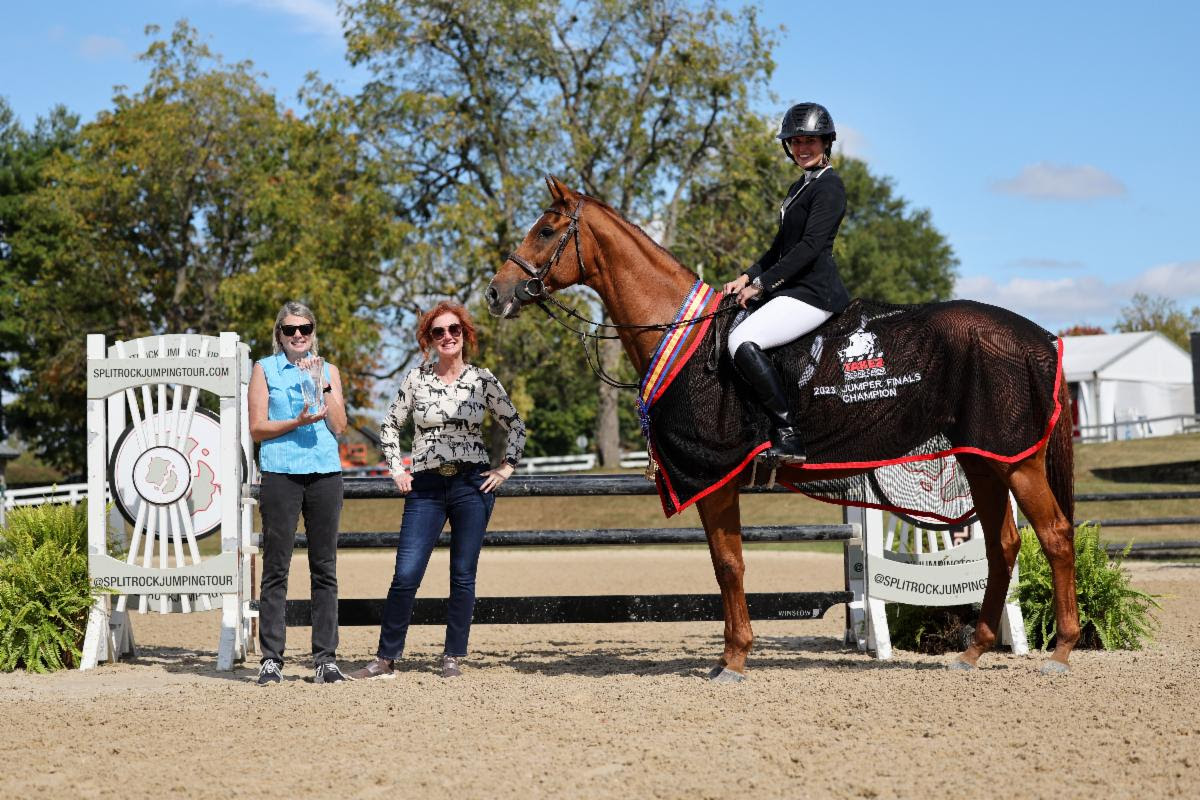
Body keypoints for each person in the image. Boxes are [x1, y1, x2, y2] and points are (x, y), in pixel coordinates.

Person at [350, 300, 526, 680]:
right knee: (407, 573)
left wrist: (506, 467)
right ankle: (385, 658)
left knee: (463, 574)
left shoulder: (482, 380)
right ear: (428, 339)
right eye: (439, 332)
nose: (447, 337)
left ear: (465, 335)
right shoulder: (417, 379)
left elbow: (516, 424)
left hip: (471, 484)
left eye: (454, 330)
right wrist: (398, 469)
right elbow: (389, 427)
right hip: (426, 486)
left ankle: (452, 655)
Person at [723, 102, 851, 464]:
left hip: (814, 293)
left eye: (810, 141)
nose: (802, 148)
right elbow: (780, 248)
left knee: (741, 340)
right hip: (792, 287)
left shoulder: (830, 187)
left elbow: (809, 248)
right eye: (795, 142)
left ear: (826, 142)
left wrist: (762, 285)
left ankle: (788, 434)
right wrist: (746, 276)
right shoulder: (799, 187)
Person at [248, 301, 349, 685]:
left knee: (325, 568)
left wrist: (324, 383)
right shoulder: (264, 368)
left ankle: (326, 659)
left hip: (325, 473)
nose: (297, 336)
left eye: (304, 328)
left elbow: (339, 426)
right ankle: (271, 658)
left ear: (312, 331)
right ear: (279, 334)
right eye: (289, 330)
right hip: (281, 473)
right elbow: (257, 428)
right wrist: (296, 422)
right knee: (277, 567)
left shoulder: (329, 369)